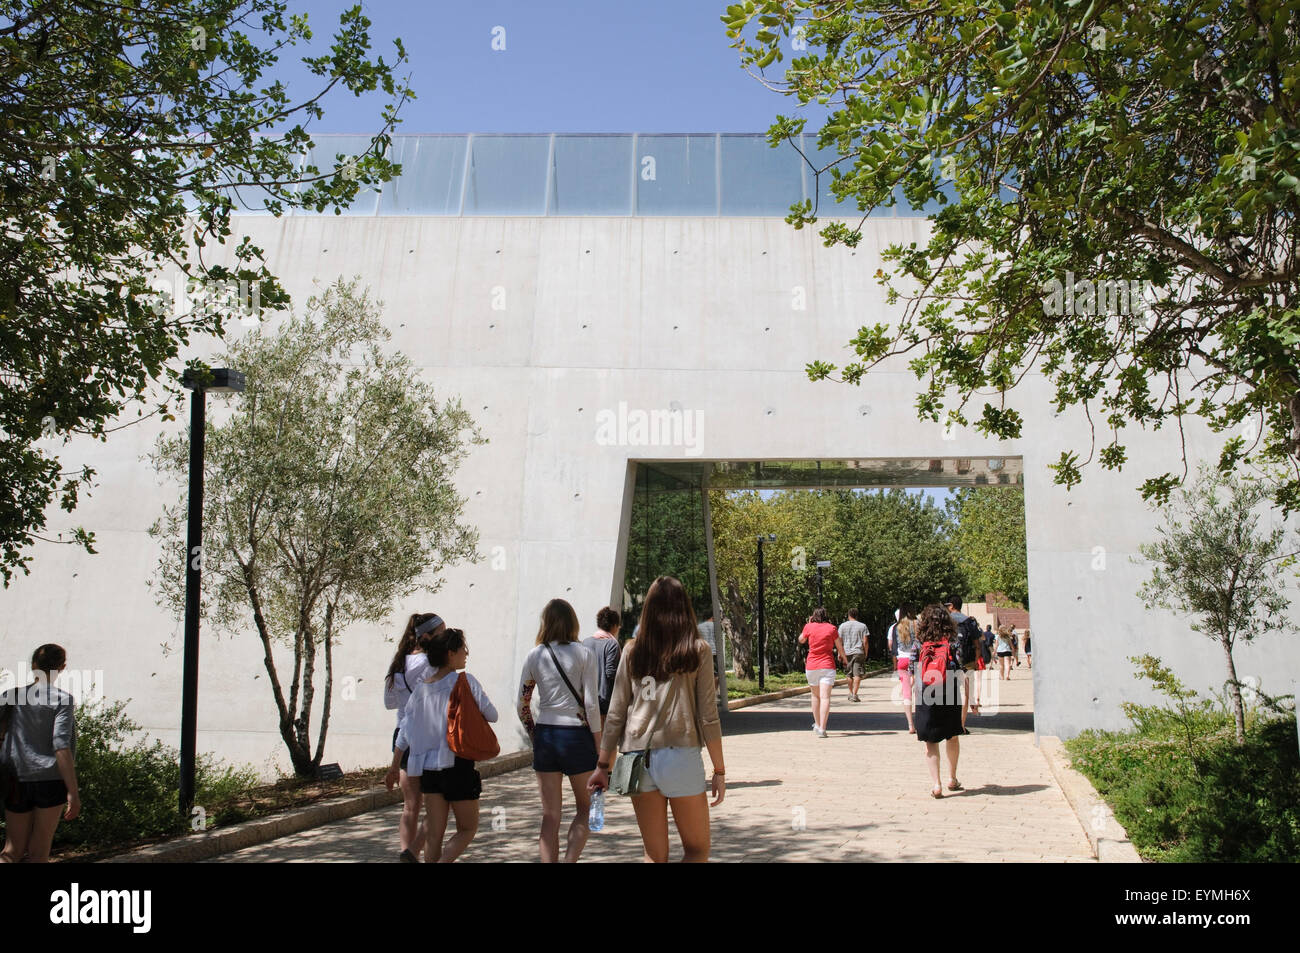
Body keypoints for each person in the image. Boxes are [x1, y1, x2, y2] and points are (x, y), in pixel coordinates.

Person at [589, 576, 725, 863]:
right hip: (680, 754)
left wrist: (603, 765)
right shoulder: (697, 650)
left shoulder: (632, 650)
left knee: (653, 855)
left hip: (638, 758)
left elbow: (615, 713)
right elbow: (708, 716)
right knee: (697, 850)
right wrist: (719, 770)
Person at [385, 627, 496, 863]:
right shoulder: (464, 682)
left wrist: (394, 766)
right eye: (462, 649)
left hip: (428, 770)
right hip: (458, 764)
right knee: (468, 828)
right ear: (450, 653)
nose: (466, 654)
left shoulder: (420, 691)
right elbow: (492, 714)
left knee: (434, 834)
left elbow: (404, 734)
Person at [519, 599, 604, 863]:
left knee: (550, 815)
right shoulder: (584, 654)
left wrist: (534, 734)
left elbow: (521, 703)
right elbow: (591, 704)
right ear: (573, 622)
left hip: (546, 734)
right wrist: (600, 747)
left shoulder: (535, 655)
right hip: (576, 735)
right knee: (585, 808)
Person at [1, 644, 81, 863]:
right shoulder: (62, 699)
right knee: (38, 852)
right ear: (62, 667)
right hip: (50, 780)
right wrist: (73, 792)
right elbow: (61, 746)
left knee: (11, 850)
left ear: (33, 665)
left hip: (15, 778)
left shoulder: (10, 696)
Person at [383, 612, 443, 863]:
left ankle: (407, 854)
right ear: (428, 636)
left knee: (410, 807)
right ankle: (416, 854)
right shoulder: (433, 664)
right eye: (442, 633)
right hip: (428, 736)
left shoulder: (397, 664)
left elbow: (389, 704)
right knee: (437, 806)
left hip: (402, 735)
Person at [908, 605, 964, 798]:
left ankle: (936, 784)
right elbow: (959, 665)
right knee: (952, 736)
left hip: (926, 691)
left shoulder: (919, 641)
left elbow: (911, 667)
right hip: (949, 689)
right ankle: (952, 778)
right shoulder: (953, 640)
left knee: (930, 741)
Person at [799, 607, 847, 737]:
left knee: (815, 696)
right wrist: (844, 659)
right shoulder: (832, 628)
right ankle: (823, 729)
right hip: (827, 665)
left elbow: (801, 639)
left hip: (812, 665)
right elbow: (839, 646)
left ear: (814, 616)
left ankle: (817, 724)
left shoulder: (809, 627)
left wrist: (808, 624)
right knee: (825, 697)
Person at [945, 595, 980, 731]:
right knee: (966, 692)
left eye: (947, 605)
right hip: (968, 661)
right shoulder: (969, 621)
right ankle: (961, 724)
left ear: (952, 606)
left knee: (949, 692)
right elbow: (977, 643)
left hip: (950, 660)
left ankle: (949, 722)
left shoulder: (946, 621)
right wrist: (976, 661)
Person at [583, 607, 622, 717]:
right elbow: (611, 673)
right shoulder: (612, 644)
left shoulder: (585, 642)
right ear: (614, 626)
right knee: (602, 732)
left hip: (586, 697)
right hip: (604, 700)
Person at [892, 606, 918, 733]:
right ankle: (920, 720)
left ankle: (910, 724)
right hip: (916, 659)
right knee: (920, 692)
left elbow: (893, 646)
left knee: (907, 694)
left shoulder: (896, 627)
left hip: (902, 660)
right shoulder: (917, 624)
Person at [839, 609, 869, 702]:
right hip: (858, 652)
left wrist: (840, 653)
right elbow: (865, 641)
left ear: (848, 615)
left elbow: (839, 641)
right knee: (857, 674)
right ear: (857, 616)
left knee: (848, 673)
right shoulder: (862, 626)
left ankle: (850, 692)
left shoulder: (842, 626)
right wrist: (866, 652)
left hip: (846, 652)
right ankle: (855, 694)